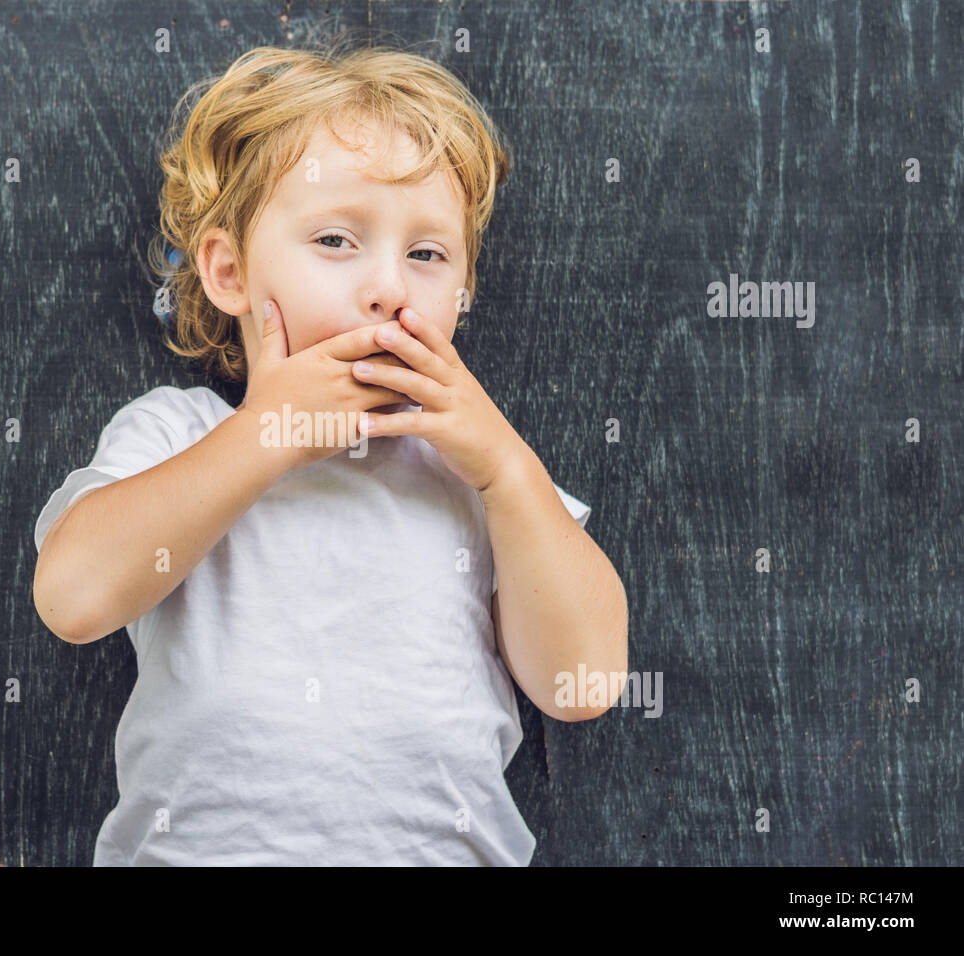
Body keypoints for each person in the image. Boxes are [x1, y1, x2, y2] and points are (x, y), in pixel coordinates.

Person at [32, 42, 628, 865]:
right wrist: (264, 436)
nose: (389, 286)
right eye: (338, 240)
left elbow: (585, 686)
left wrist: (505, 470)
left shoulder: (478, 475)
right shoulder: (178, 433)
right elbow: (73, 598)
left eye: (427, 255)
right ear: (230, 272)